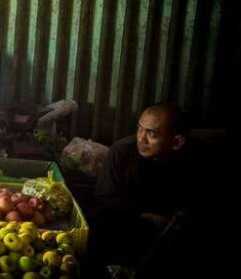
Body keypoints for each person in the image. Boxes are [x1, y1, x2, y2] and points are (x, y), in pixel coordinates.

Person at [90, 103, 213, 277]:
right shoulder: (122, 151)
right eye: (140, 129)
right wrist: (144, 216)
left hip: (170, 232)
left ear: (177, 142)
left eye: (151, 134)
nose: (141, 138)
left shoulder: (198, 158)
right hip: (128, 222)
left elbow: (203, 199)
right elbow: (105, 196)